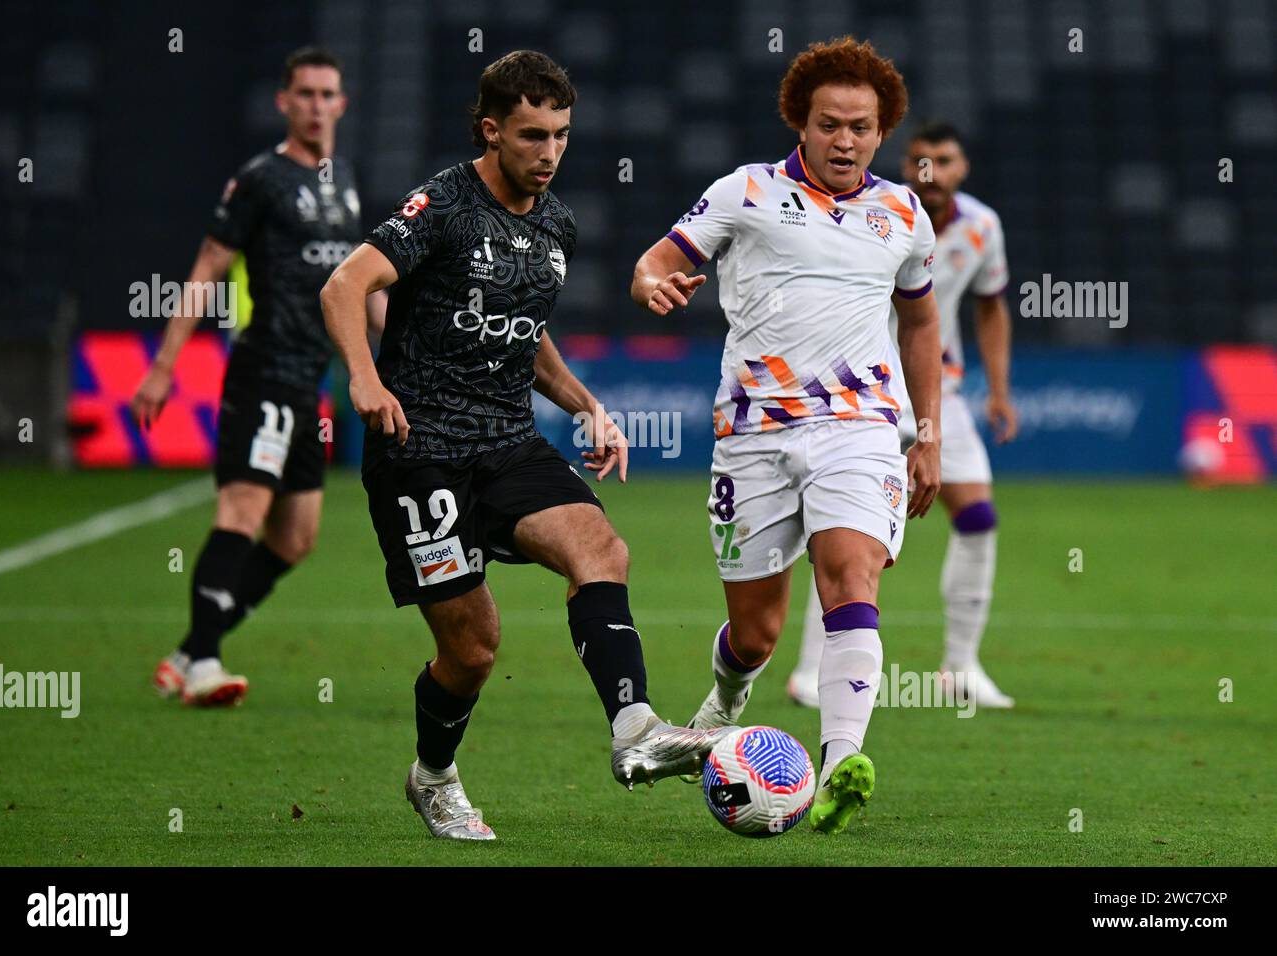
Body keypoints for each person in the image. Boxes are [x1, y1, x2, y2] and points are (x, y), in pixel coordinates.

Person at [320, 50, 733, 842]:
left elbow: (525, 331)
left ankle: (635, 727)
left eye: (563, 136)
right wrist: (366, 382)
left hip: (507, 441)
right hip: (421, 453)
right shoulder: (443, 204)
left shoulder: (556, 224)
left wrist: (586, 405)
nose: (549, 153)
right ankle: (434, 777)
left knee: (602, 549)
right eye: (533, 135)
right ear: (491, 130)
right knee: (475, 649)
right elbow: (345, 285)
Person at [630, 37, 942, 833]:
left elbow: (921, 318)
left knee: (850, 574)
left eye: (863, 127)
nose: (846, 140)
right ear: (800, 123)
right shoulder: (747, 191)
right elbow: (654, 260)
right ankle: (719, 711)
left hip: (861, 428)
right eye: (830, 124)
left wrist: (926, 431)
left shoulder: (903, 214)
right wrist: (652, 282)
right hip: (754, 435)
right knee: (757, 630)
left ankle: (841, 764)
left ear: (883, 130)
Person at [136, 47, 381, 706]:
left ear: (342, 103)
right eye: (304, 93)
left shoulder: (344, 181)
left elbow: (362, 287)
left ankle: (188, 651)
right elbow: (206, 270)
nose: (317, 105)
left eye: (328, 94)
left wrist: (406, 348)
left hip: (312, 382)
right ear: (284, 101)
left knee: (296, 538)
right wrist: (163, 368)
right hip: (263, 372)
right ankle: (207, 661)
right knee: (241, 512)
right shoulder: (260, 180)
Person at [787, 121, 1018, 711]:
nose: (930, 172)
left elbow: (990, 308)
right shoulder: (877, 216)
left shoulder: (982, 227)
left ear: (961, 168)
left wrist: (998, 390)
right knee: (845, 531)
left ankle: (961, 668)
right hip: (866, 392)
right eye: (920, 160)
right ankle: (811, 670)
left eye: (943, 160)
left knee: (978, 517)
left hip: (942, 392)